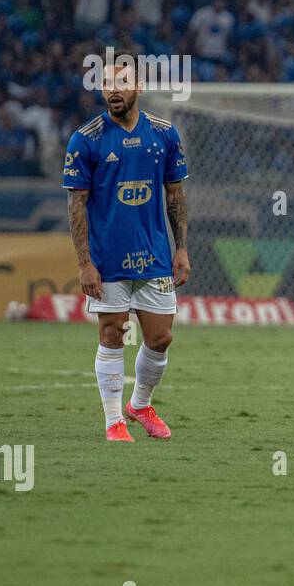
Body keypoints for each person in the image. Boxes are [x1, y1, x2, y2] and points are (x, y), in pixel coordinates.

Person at [64, 62, 190, 441]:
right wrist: (85, 264)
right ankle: (113, 421)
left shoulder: (164, 135)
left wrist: (181, 248)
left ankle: (139, 405)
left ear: (139, 85)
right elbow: (76, 205)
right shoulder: (86, 139)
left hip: (153, 255)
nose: (113, 90)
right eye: (106, 83)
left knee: (160, 338)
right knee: (113, 333)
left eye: (122, 82)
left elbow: (175, 195)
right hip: (108, 260)